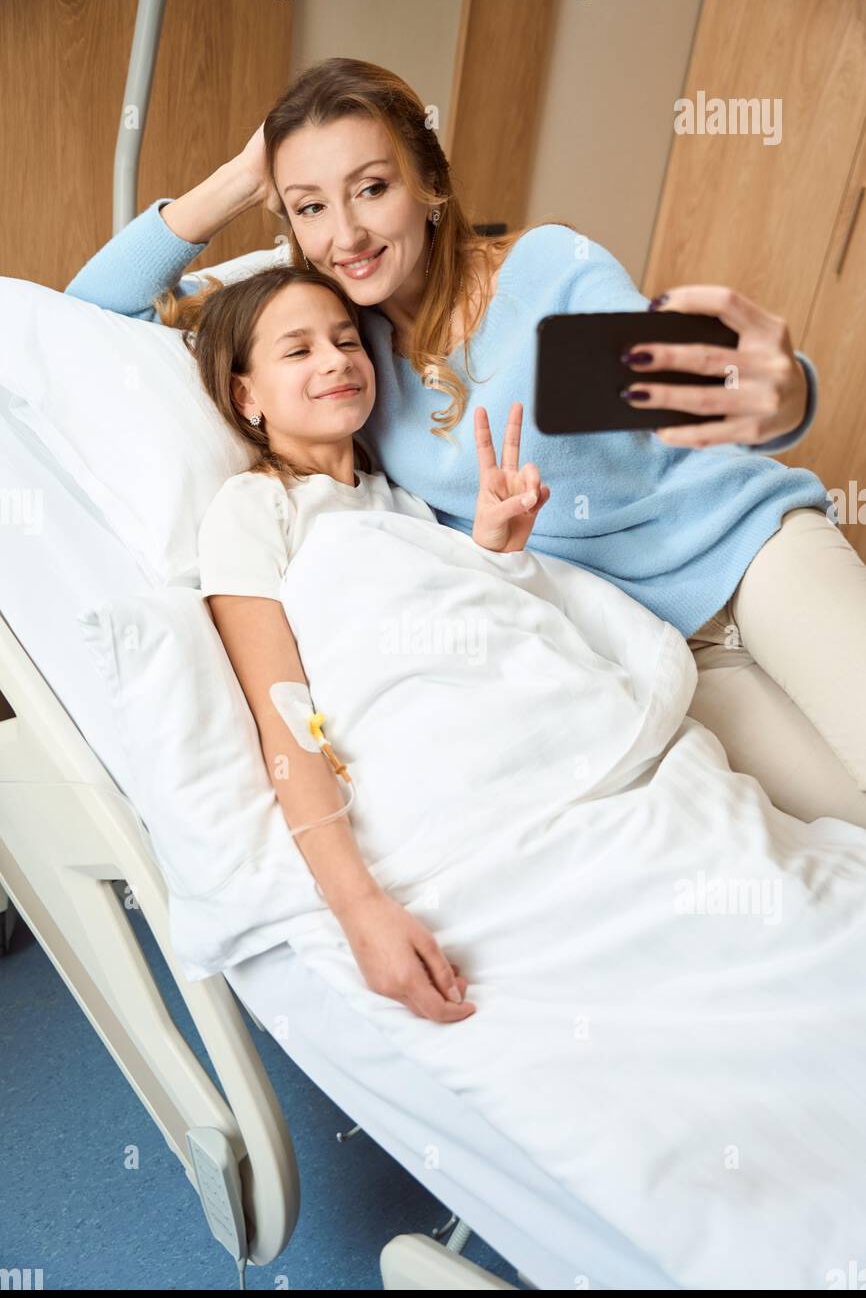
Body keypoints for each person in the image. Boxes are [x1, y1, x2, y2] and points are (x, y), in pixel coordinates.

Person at [65, 57, 866, 828]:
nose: (345, 234)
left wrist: (780, 392)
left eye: (371, 189)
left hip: (755, 554)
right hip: (662, 643)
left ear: (432, 186)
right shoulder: (338, 342)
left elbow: (694, 385)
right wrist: (246, 174)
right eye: (309, 206)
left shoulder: (547, 268)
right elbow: (93, 309)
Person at [185, 260, 548, 1023]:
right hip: (416, 777)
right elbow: (281, 712)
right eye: (297, 350)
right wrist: (358, 907)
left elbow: (474, 639)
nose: (336, 360)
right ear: (245, 395)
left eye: (346, 339)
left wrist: (493, 554)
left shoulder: (403, 502)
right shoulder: (254, 509)